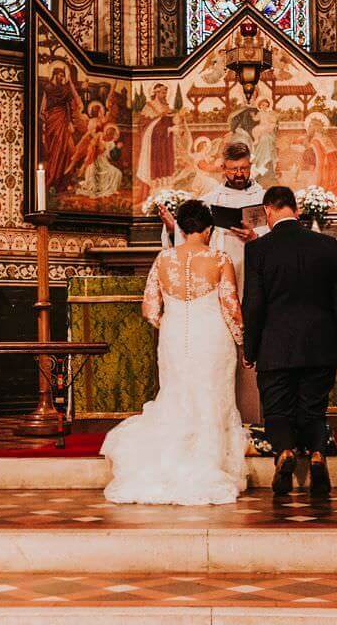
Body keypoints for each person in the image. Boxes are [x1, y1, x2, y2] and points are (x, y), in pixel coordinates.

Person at [101, 200, 248, 505]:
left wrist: (170, 320)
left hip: (174, 336)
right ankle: (210, 460)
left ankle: (172, 457)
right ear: (208, 229)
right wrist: (242, 340)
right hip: (212, 336)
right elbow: (231, 307)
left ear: (180, 228)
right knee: (210, 393)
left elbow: (149, 308)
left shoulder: (163, 259)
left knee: (177, 391)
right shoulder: (220, 259)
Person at [242, 186, 337, 498]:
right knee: (313, 408)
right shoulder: (327, 245)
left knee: (277, 408)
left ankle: (285, 452)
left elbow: (254, 304)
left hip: (275, 344)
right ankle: (316, 455)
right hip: (320, 343)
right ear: (297, 209)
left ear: (267, 211)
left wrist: (250, 349)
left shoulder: (258, 249)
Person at [158, 141, 268, 422]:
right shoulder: (210, 201)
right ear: (223, 168)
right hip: (219, 282)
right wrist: (172, 229)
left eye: (243, 168)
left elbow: (278, 243)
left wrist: (255, 238)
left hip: (256, 278)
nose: (239, 174)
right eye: (233, 169)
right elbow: (190, 243)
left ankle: (254, 417)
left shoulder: (265, 200)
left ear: (251, 165)